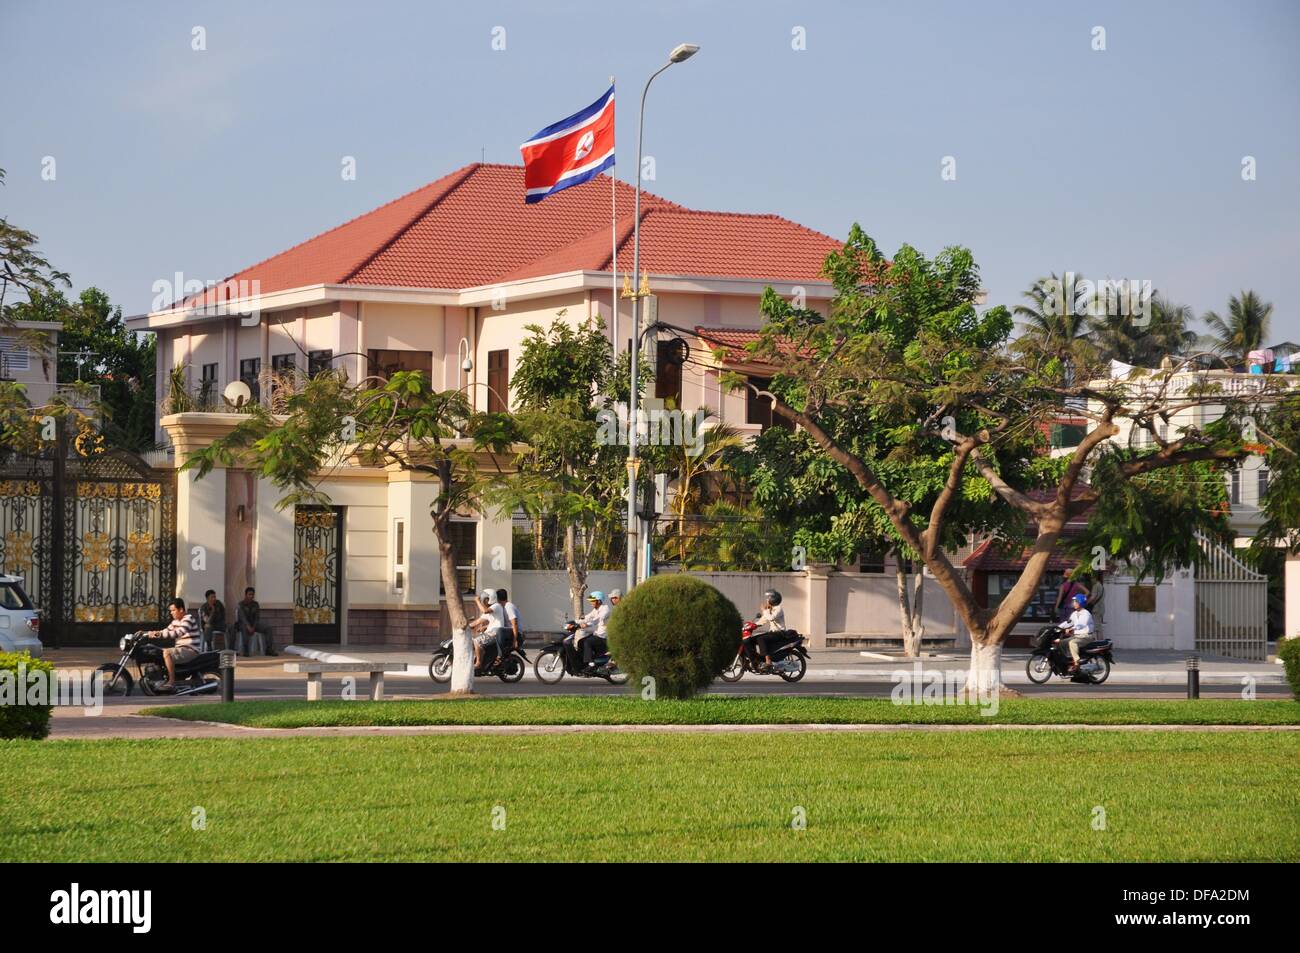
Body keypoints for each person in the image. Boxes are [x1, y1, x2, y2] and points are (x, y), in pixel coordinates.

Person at [142, 597, 202, 690]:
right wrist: (146, 633)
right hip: (181, 649)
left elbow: (178, 632)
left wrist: (159, 634)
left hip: (190, 650)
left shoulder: (188, 619)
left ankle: (171, 681)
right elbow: (165, 631)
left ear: (181, 609)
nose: (171, 613)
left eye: (173, 610)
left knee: (167, 652)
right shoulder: (175, 622)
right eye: (170, 611)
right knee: (156, 652)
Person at [750, 589, 786, 672]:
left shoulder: (778, 608)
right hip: (772, 633)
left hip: (779, 633)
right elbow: (763, 620)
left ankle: (768, 661)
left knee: (761, 639)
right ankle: (757, 659)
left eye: (768, 598)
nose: (767, 600)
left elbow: (771, 617)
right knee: (753, 639)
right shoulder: (770, 609)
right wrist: (753, 625)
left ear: (773, 599)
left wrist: (764, 610)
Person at [1058, 592, 1094, 673]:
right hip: (1078, 636)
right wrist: (1058, 628)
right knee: (1062, 643)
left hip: (1086, 636)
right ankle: (1069, 660)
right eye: (1074, 602)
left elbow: (1081, 625)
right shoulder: (1074, 614)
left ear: (1080, 602)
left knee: (1072, 643)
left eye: (1075, 602)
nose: (1074, 603)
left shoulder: (1086, 613)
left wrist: (1071, 629)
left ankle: (1077, 663)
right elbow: (1068, 622)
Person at [235, 587, 276, 656]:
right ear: (245, 595)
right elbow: (242, 618)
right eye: (249, 594)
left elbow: (257, 617)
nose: (251, 596)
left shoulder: (255, 604)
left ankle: (269, 649)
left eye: (252, 595)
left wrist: (253, 627)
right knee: (244, 628)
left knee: (268, 628)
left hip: (254, 624)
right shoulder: (241, 604)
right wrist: (248, 626)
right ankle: (246, 650)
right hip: (243, 624)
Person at [577, 590, 612, 670]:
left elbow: (598, 619)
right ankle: (584, 661)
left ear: (599, 601)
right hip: (598, 634)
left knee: (587, 642)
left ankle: (591, 664)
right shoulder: (596, 609)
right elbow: (587, 617)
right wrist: (575, 622)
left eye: (592, 601)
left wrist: (587, 624)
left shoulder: (605, 609)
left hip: (604, 637)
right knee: (581, 642)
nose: (591, 603)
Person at [471, 589, 505, 669]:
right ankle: (481, 661)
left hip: (496, 633)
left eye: (485, 599)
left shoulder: (496, 606)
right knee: (474, 641)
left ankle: (478, 663)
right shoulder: (490, 610)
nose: (483, 601)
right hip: (490, 633)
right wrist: (466, 626)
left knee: (477, 640)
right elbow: (477, 622)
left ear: (490, 599)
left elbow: (485, 611)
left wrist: (477, 601)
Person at [495, 588, 522, 661]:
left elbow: (515, 624)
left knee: (499, 630)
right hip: (509, 633)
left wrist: (515, 640)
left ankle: (500, 655)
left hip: (515, 634)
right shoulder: (503, 608)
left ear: (498, 599)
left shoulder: (509, 606)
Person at [197, 589, 226, 653]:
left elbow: (223, 614)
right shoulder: (203, 608)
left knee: (231, 627)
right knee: (208, 626)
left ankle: (230, 648)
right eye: (212, 597)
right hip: (210, 626)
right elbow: (207, 621)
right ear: (207, 598)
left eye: (215, 597)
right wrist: (213, 611)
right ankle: (209, 647)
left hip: (219, 624)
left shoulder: (218, 603)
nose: (214, 599)